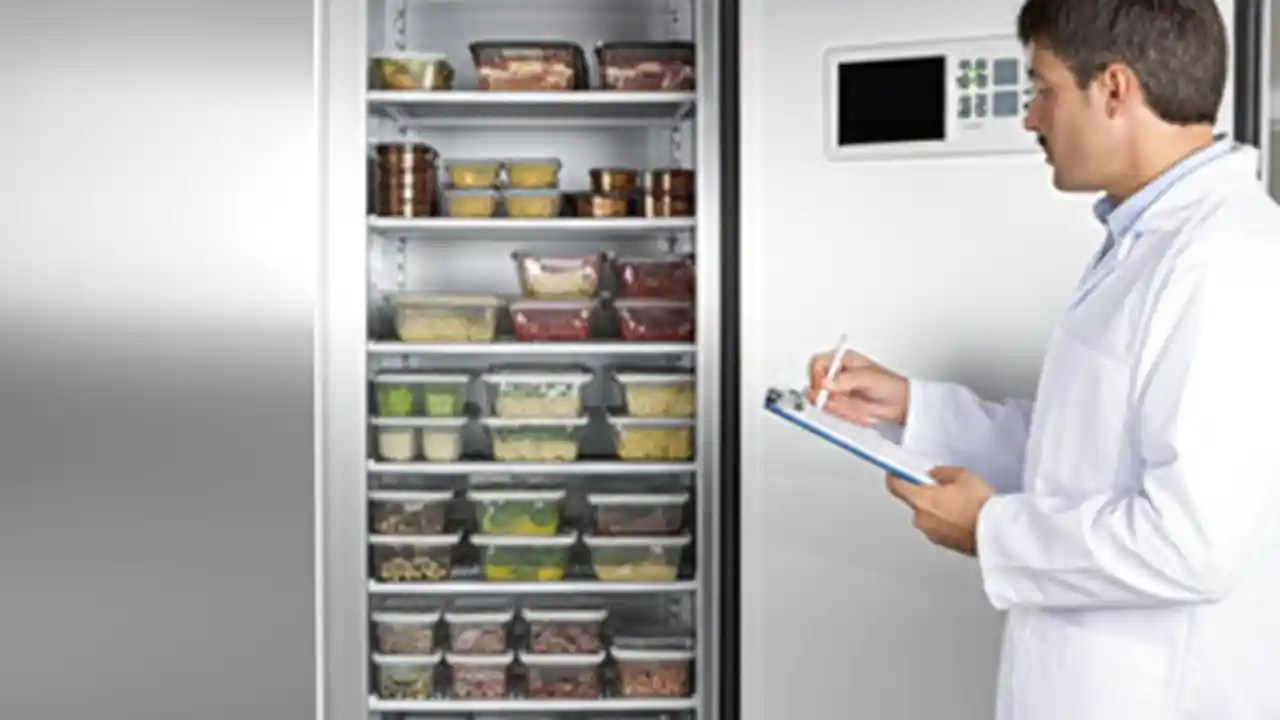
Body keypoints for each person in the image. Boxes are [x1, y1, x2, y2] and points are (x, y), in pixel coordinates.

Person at [808, 0, 1280, 718]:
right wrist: (914, 408)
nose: (1031, 116)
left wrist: (992, 532)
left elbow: (1192, 543)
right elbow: (1085, 452)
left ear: (1115, 89)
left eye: (1044, 88)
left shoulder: (1224, 260)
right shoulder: (1149, 240)